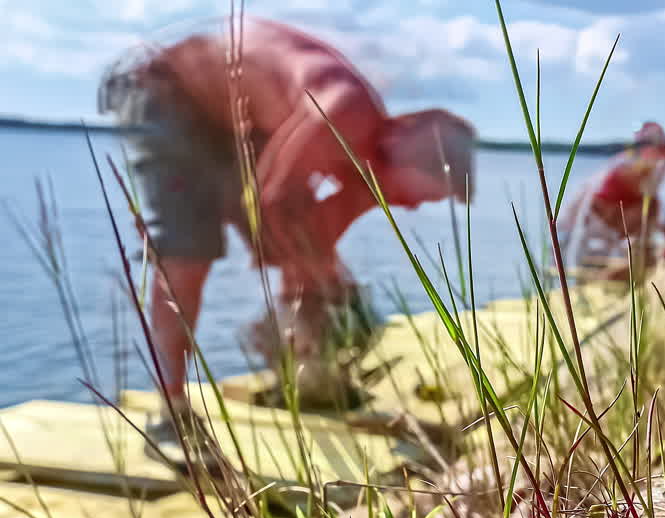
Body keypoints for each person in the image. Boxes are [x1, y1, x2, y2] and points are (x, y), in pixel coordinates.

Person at [98, 17, 476, 461]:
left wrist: (324, 298)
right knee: (187, 251)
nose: (409, 208)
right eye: (416, 194)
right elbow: (270, 204)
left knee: (314, 266)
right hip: (166, 87)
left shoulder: (373, 173)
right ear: (400, 147)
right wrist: (299, 300)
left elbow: (311, 237)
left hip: (233, 118)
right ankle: (170, 412)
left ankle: (302, 371)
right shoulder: (344, 113)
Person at [557, 122, 665, 279]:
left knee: (651, 212)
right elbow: (584, 206)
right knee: (650, 210)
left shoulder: (644, 174)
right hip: (592, 232)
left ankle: (635, 267)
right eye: (647, 150)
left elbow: (659, 211)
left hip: (605, 232)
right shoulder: (621, 170)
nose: (653, 159)